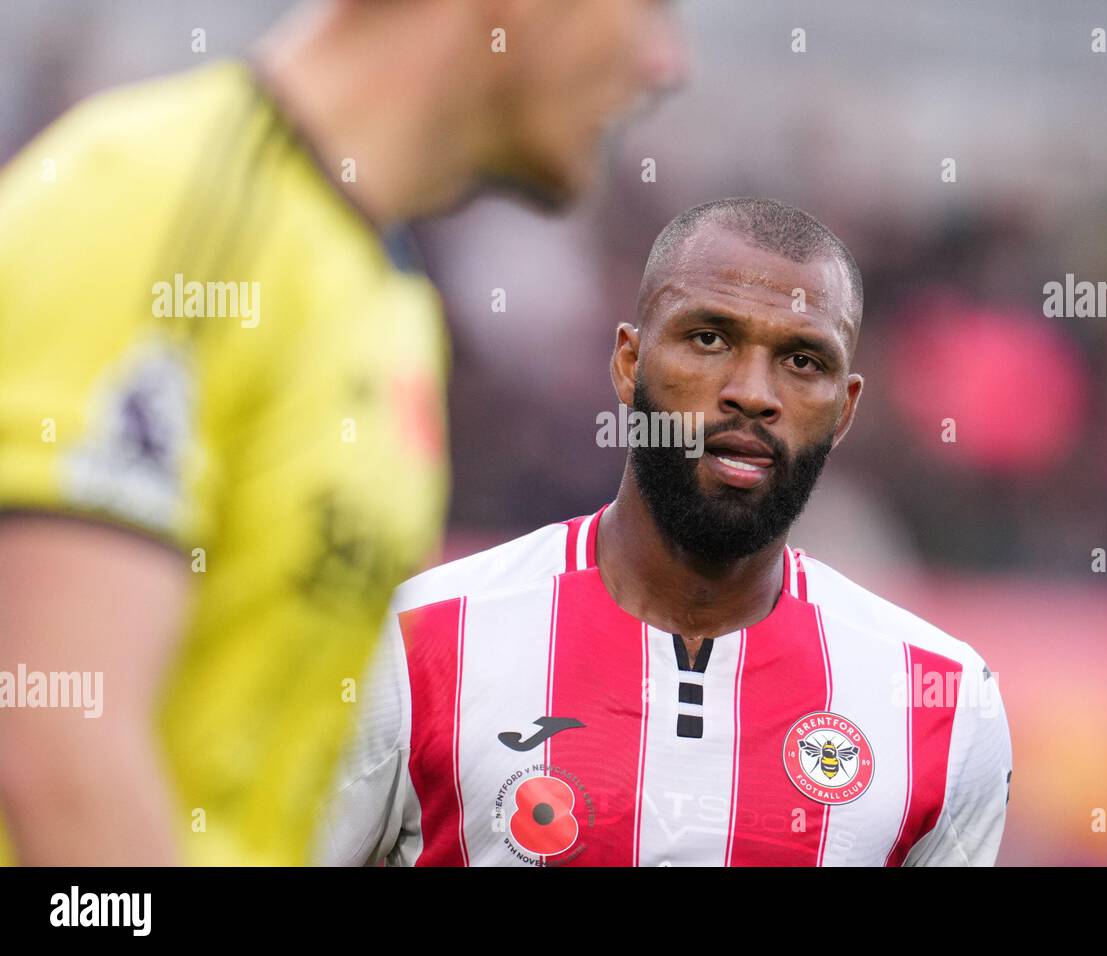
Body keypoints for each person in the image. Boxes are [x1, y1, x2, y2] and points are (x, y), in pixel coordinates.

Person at [0, 0, 686, 865]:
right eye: (654, 8)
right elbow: (59, 755)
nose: (667, 63)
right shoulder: (165, 203)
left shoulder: (384, 295)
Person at [315, 198, 1013, 866]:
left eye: (803, 361)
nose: (753, 393)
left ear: (845, 410)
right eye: (708, 339)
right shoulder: (414, 646)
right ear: (629, 363)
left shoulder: (942, 703)